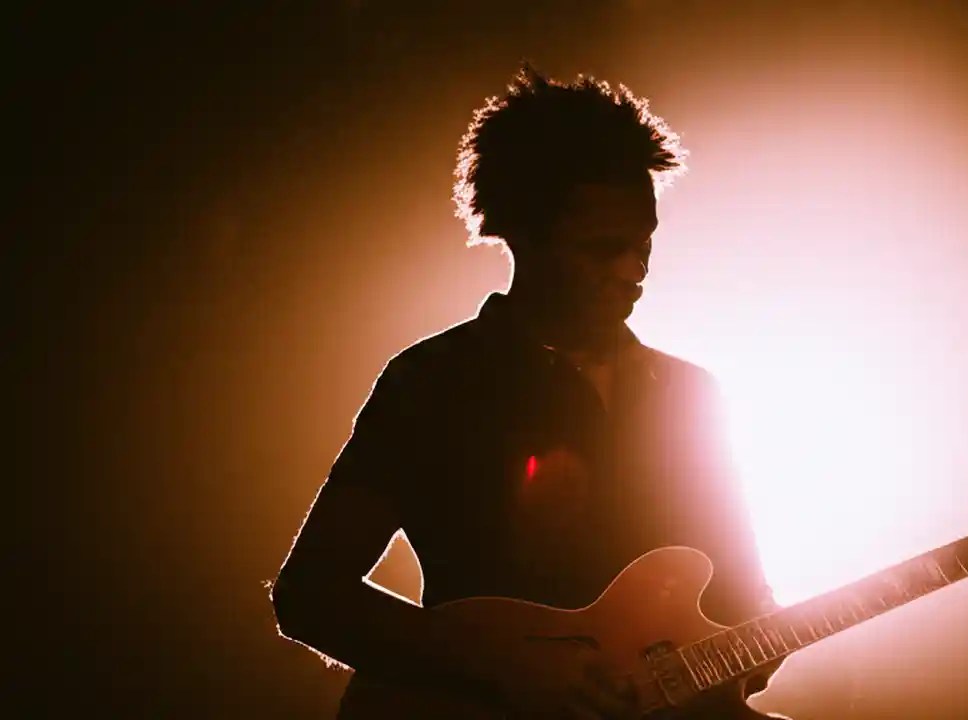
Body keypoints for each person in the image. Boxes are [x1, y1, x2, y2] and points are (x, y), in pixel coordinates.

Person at [271, 65, 787, 719]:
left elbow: (742, 601)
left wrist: (755, 645)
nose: (634, 271)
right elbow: (310, 594)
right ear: (522, 234)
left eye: (643, 244)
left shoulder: (689, 395)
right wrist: (504, 667)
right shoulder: (432, 383)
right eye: (602, 250)